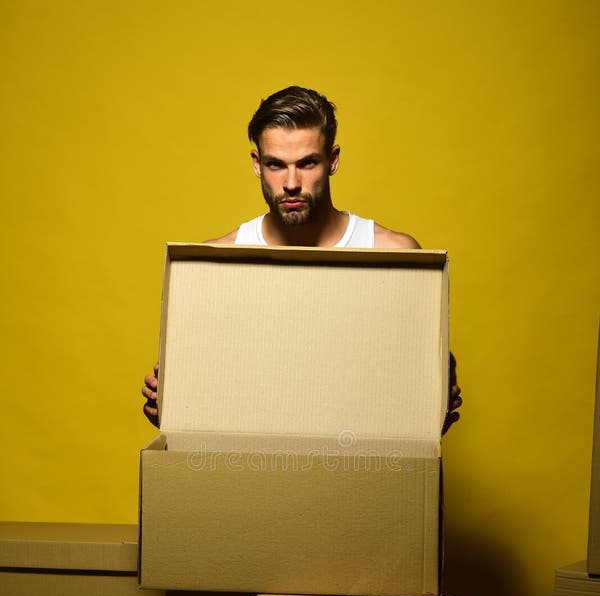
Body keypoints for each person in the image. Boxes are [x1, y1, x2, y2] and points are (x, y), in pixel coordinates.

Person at [142, 85, 462, 429]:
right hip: (255, 466)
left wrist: (436, 393)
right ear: (256, 164)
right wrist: (173, 402)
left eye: (307, 163)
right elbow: (201, 395)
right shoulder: (214, 263)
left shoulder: (392, 254)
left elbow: (416, 392)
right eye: (276, 165)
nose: (291, 183)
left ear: (333, 160)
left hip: (361, 466)